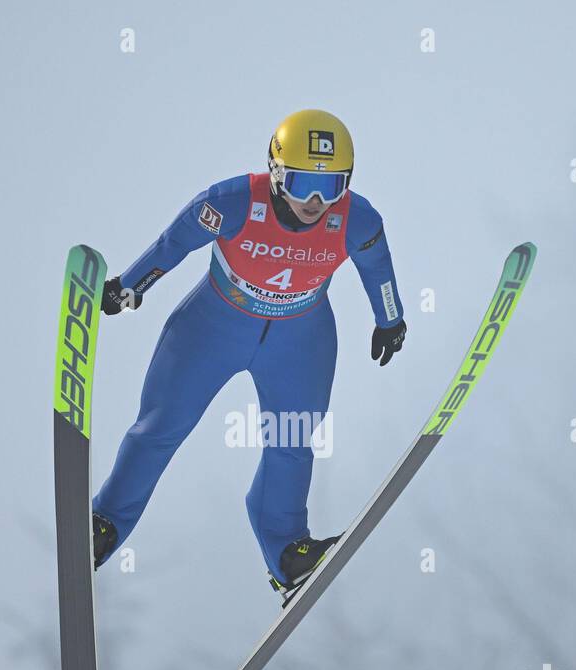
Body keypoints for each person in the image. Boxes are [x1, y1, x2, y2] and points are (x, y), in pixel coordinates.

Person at [92, 108, 406, 595]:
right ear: (277, 173)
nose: (317, 201)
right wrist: (129, 287)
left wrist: (391, 320)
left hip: (300, 339)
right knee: (160, 427)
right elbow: (173, 244)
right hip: (212, 327)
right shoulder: (230, 202)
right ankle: (103, 523)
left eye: (333, 186)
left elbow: (378, 267)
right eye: (302, 184)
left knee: (292, 441)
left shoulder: (357, 219)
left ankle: (287, 553)